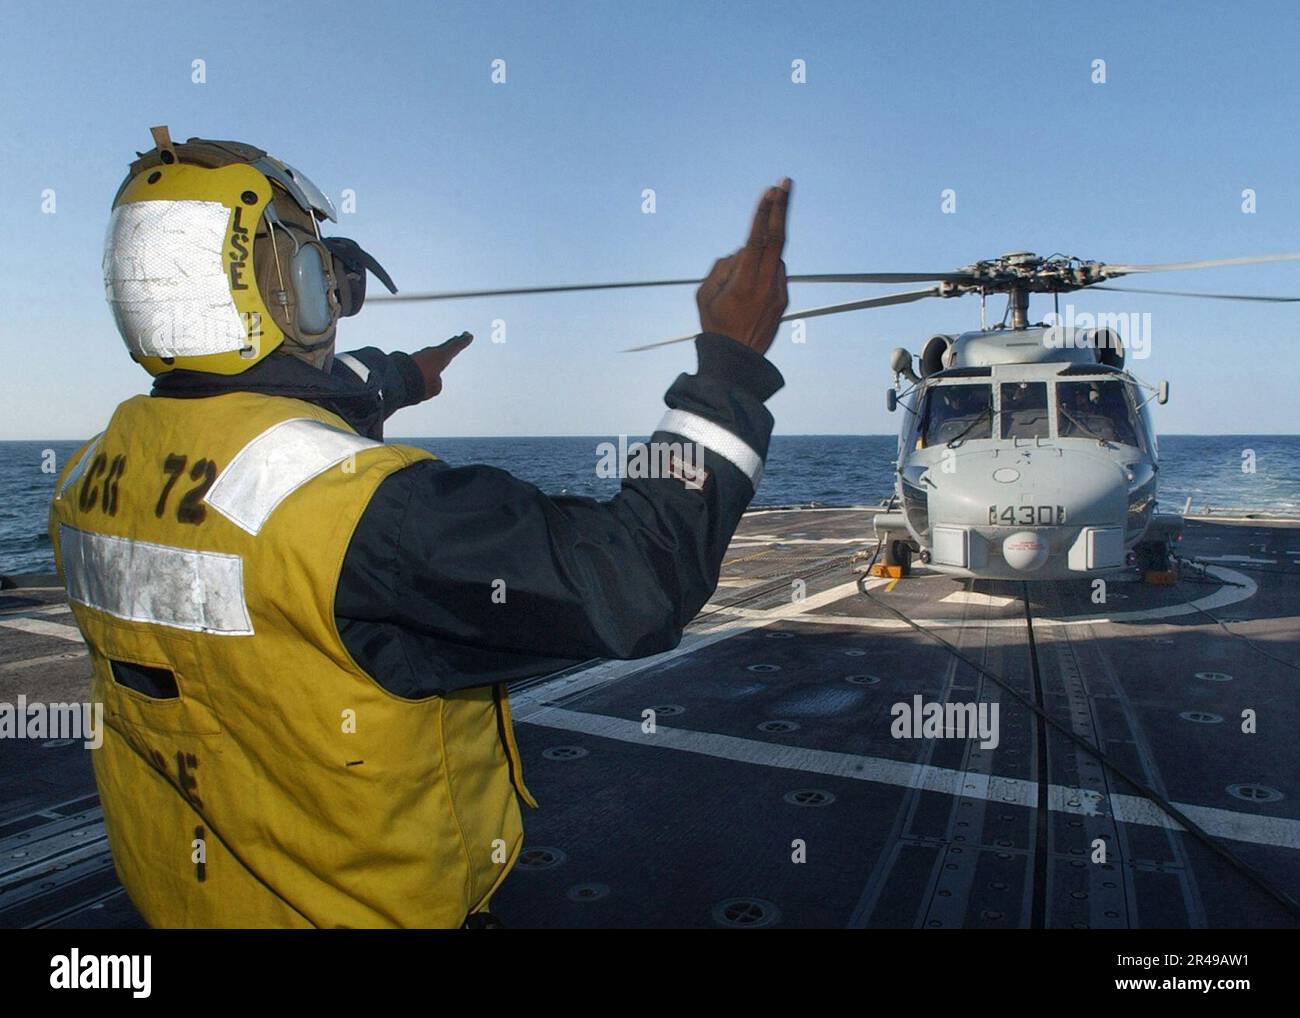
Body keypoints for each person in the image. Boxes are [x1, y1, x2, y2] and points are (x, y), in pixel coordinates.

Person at [48, 127, 792, 928]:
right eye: (317, 271)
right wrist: (728, 369)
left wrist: (400, 375)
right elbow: (639, 579)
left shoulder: (87, 475)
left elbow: (256, 418)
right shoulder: (368, 512)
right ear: (283, 287)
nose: (332, 294)